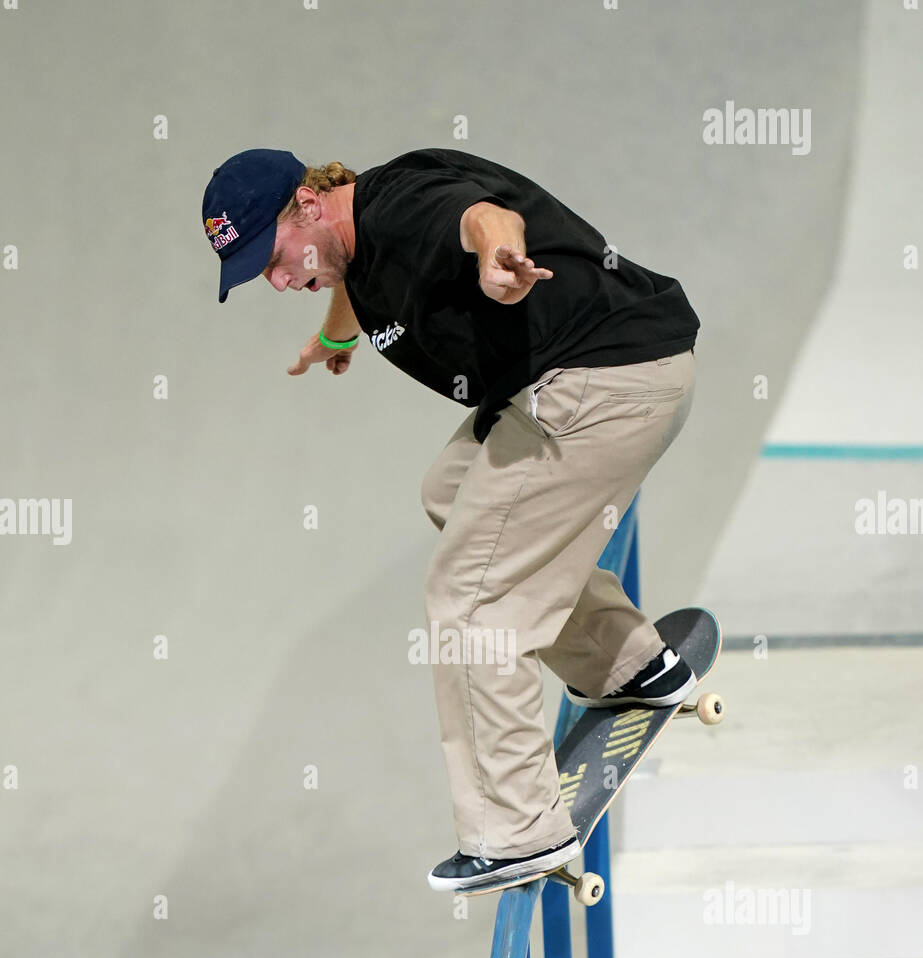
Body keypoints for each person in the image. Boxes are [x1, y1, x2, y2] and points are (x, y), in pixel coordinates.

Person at [202, 147, 699, 892]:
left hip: (601, 388)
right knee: (449, 489)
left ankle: (516, 829)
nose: (277, 282)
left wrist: (500, 251)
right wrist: (339, 333)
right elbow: (347, 272)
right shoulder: (349, 239)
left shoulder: (403, 206)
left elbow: (475, 216)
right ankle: (627, 664)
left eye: (273, 260)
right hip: (601, 373)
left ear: (306, 203)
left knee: (469, 599)